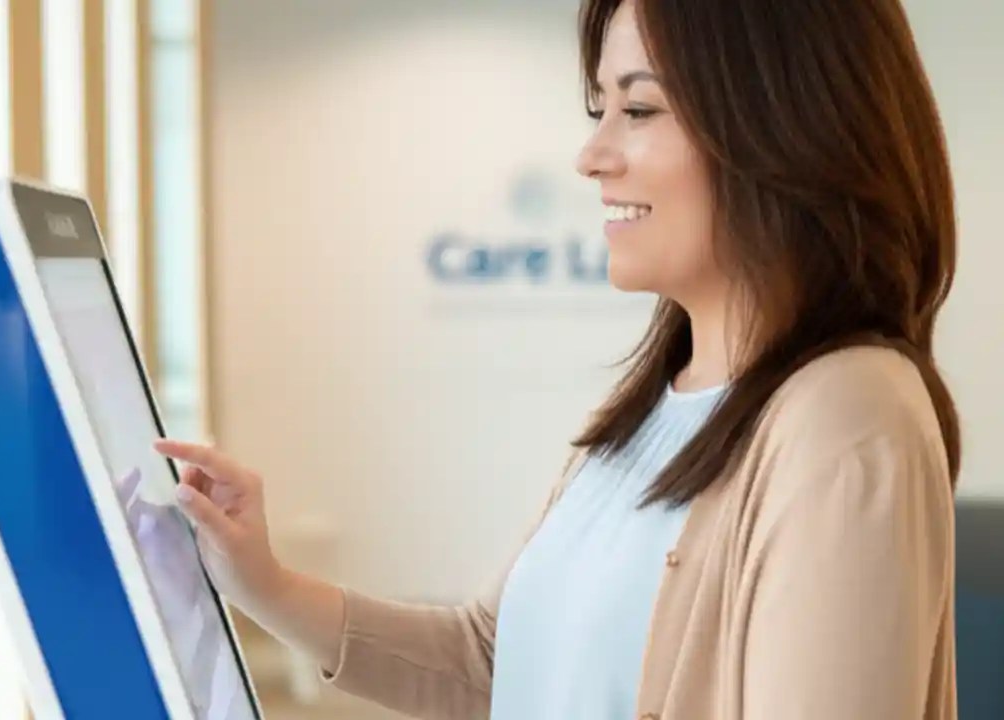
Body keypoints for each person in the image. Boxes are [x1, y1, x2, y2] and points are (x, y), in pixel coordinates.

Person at [154, 0, 960, 717]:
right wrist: (263, 583)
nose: (592, 154)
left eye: (639, 108)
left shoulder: (848, 414)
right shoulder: (652, 410)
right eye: (599, 107)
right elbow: (488, 666)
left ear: (785, 126)